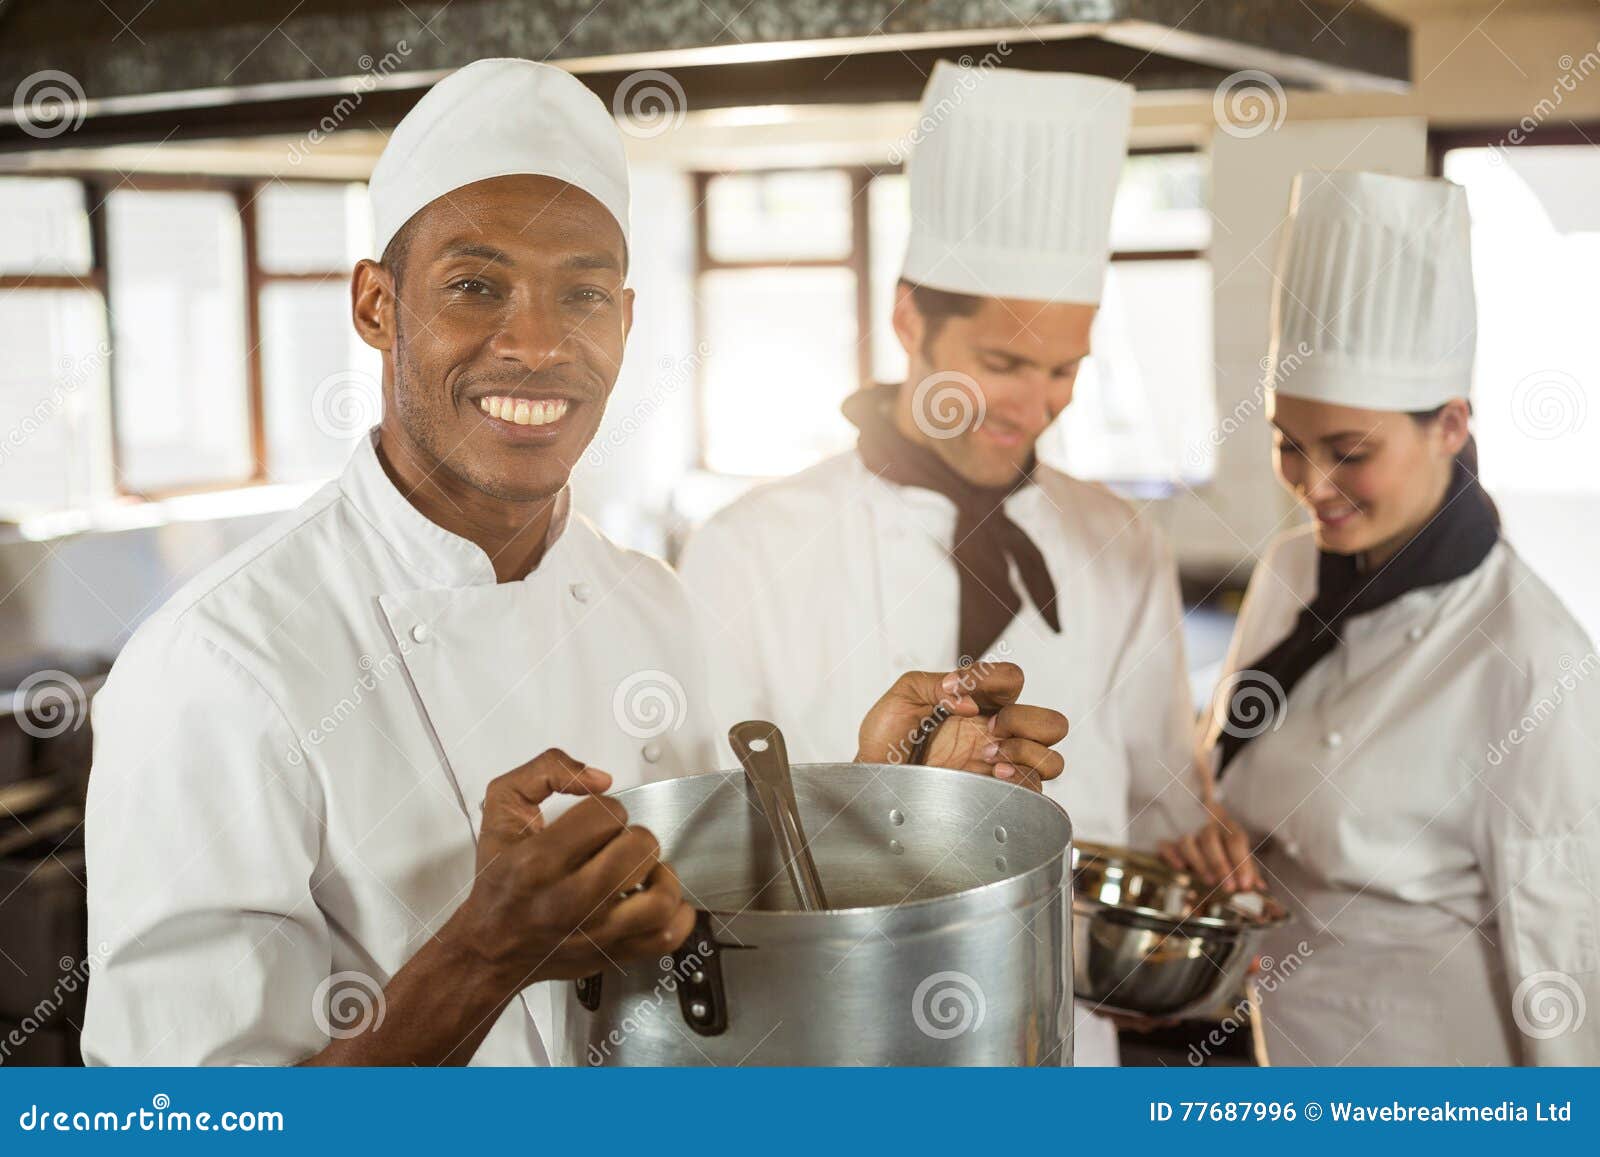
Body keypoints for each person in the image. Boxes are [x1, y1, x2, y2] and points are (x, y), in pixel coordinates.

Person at [81, 59, 1069, 1067]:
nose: (540, 343)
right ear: (377, 305)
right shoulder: (213, 665)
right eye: (475, 286)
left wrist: (883, 810)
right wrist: (484, 952)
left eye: (584, 293)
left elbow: (722, 945)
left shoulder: (653, 605)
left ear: (628, 321)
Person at [677, 61, 1207, 1066]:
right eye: (1005, 363)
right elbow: (707, 858)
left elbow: (1159, 805)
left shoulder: (1121, 541)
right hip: (825, 1042)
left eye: (1063, 369)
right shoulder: (748, 546)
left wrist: (1204, 847)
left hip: (1060, 1044)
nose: (1037, 403)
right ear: (909, 318)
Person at [1161, 170, 1600, 1065]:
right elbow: (1242, 779)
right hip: (1283, 1052)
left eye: (1350, 453)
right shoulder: (1293, 571)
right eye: (1289, 444)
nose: (1313, 487)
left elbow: (1571, 972)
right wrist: (1222, 841)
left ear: (1449, 424)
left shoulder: (1532, 661)